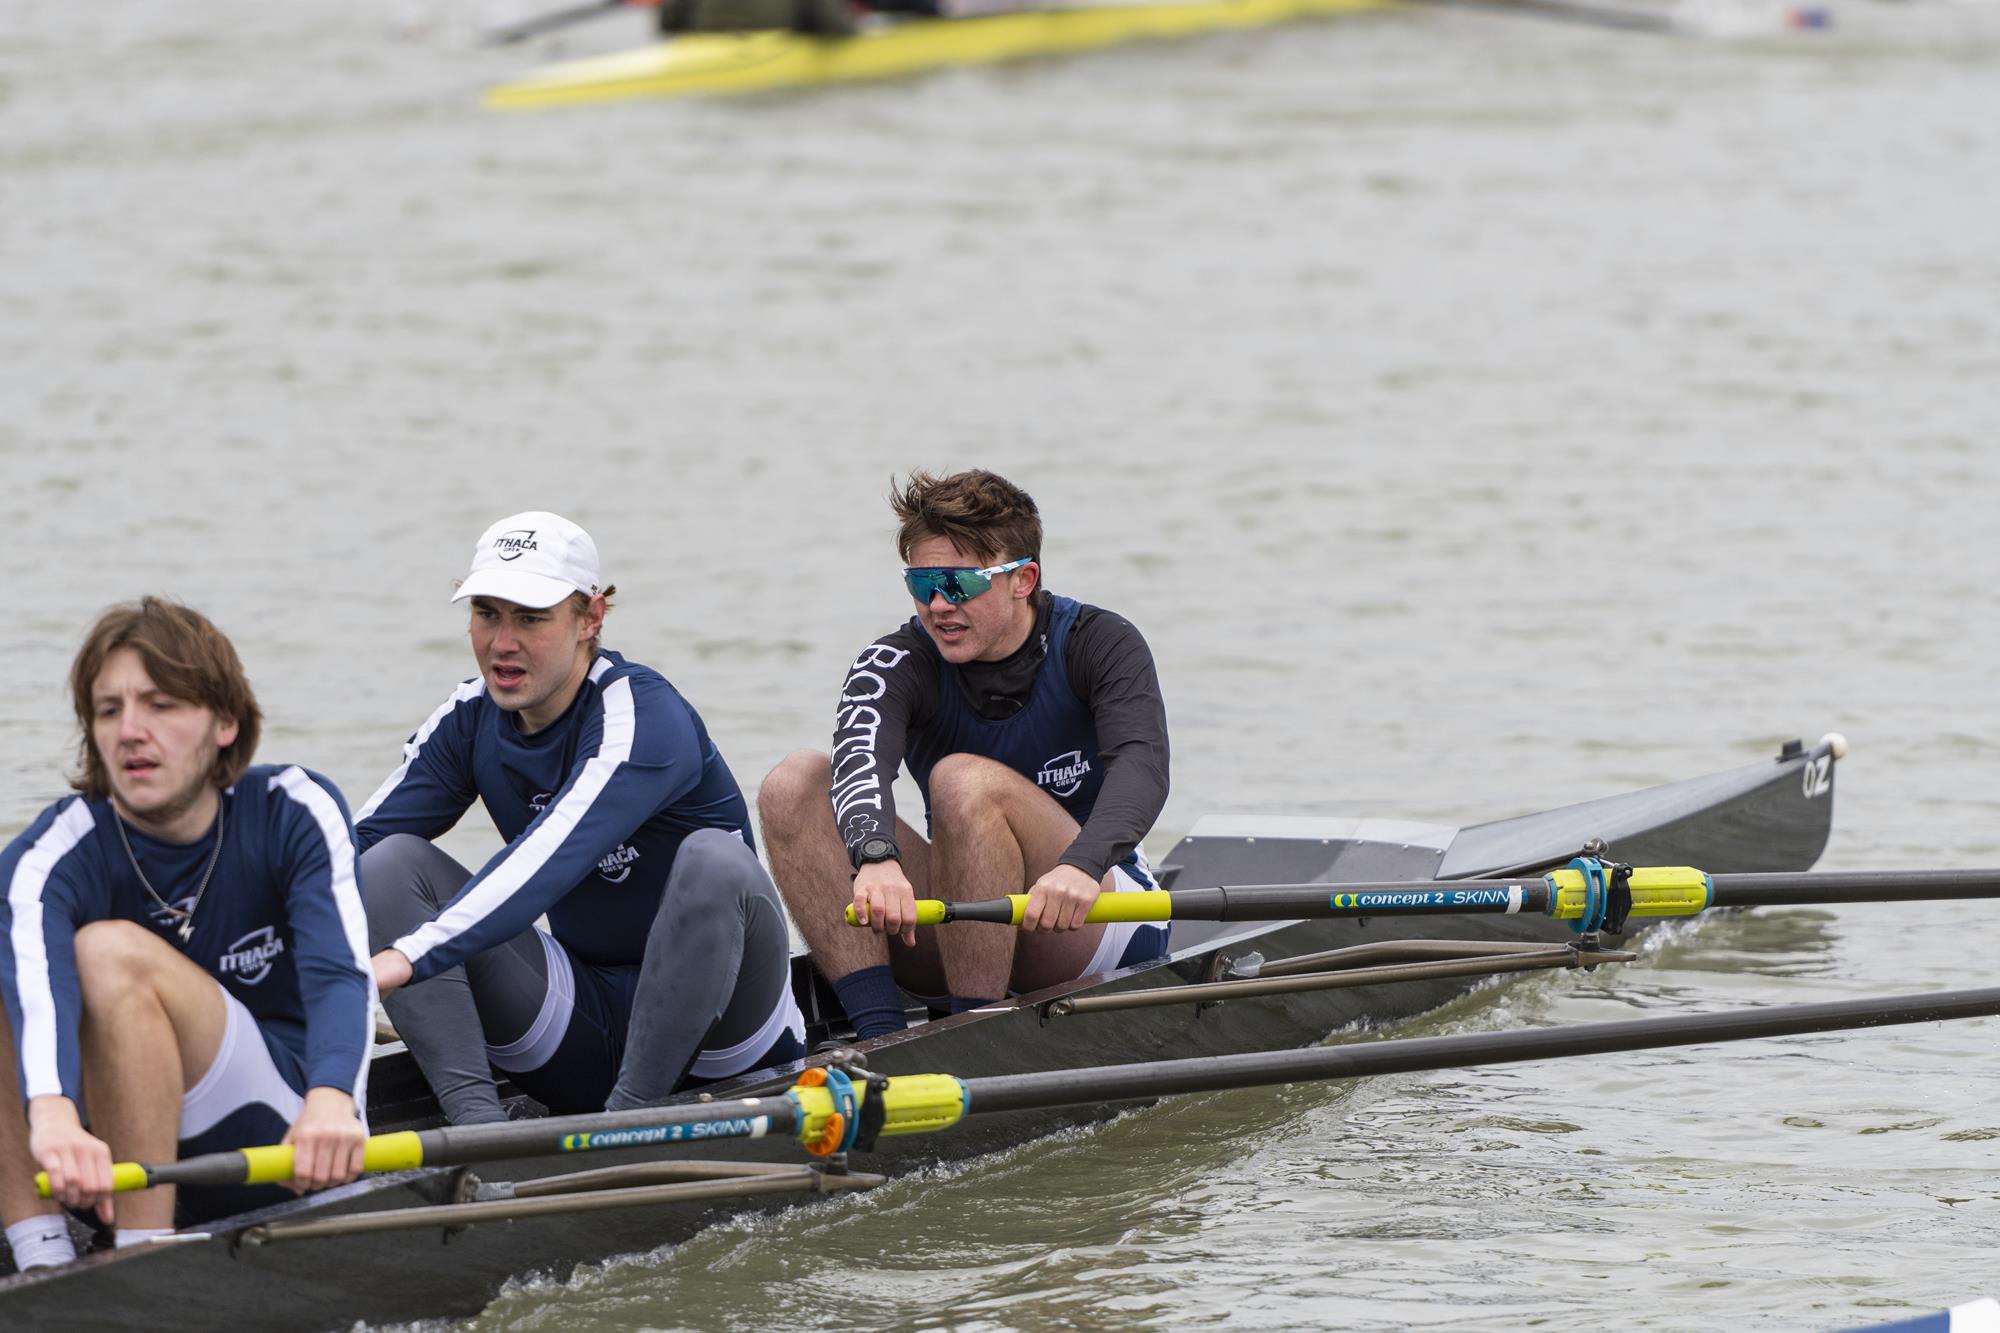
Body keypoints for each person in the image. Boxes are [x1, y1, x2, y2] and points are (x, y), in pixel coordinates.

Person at [357, 512, 803, 1127]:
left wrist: (408, 957)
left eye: (530, 618)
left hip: (727, 1038)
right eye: (487, 614)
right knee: (385, 866)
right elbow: (344, 854)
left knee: (715, 861)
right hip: (582, 1028)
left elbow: (547, 861)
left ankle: (626, 1127)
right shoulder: (469, 716)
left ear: (591, 618)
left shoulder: (642, 716)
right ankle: (479, 1136)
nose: (502, 643)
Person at [0, 599, 373, 1268]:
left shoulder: (293, 809)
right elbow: (33, 985)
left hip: (289, 1142)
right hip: (95, 1158)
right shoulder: (53, 852)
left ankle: (144, 1263)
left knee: (105, 951)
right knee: (10, 955)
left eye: (161, 704)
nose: (130, 731)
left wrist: (331, 1100)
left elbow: (340, 975)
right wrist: (51, 1113)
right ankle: (42, 1255)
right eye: (108, 710)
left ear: (226, 722)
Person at [758, 469, 1171, 1040]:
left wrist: (1083, 863)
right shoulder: (895, 663)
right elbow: (859, 761)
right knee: (794, 783)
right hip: (961, 921)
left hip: (1088, 917)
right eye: (922, 582)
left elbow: (1142, 769)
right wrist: (875, 855)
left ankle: (974, 1035)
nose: (937, 604)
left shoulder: (1099, 642)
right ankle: (879, 1037)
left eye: (958, 584)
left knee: (961, 779)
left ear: (1023, 579)